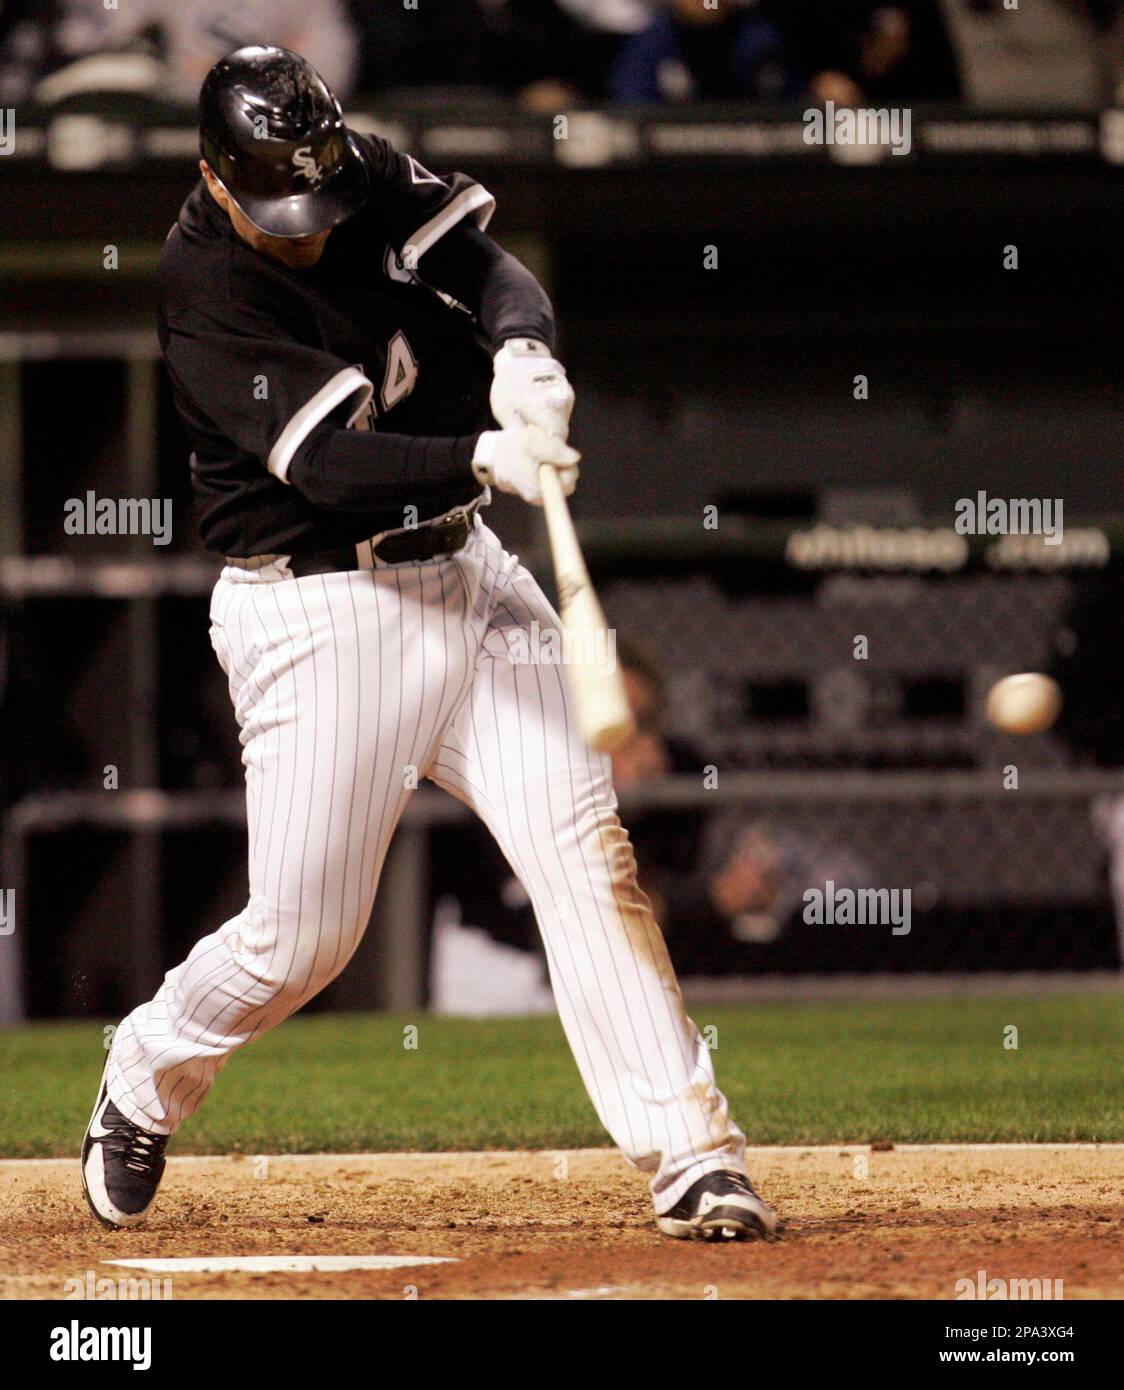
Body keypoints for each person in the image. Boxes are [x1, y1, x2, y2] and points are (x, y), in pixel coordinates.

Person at [80, 45, 777, 1244]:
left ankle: (691, 1153)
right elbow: (333, 465)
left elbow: (486, 264)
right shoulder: (204, 285)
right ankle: (146, 1068)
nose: (308, 228)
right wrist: (479, 456)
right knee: (305, 938)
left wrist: (524, 353)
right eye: (278, 210)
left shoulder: (349, 168)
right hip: (319, 611)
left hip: (469, 570)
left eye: (318, 195)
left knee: (583, 850)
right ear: (215, 173)